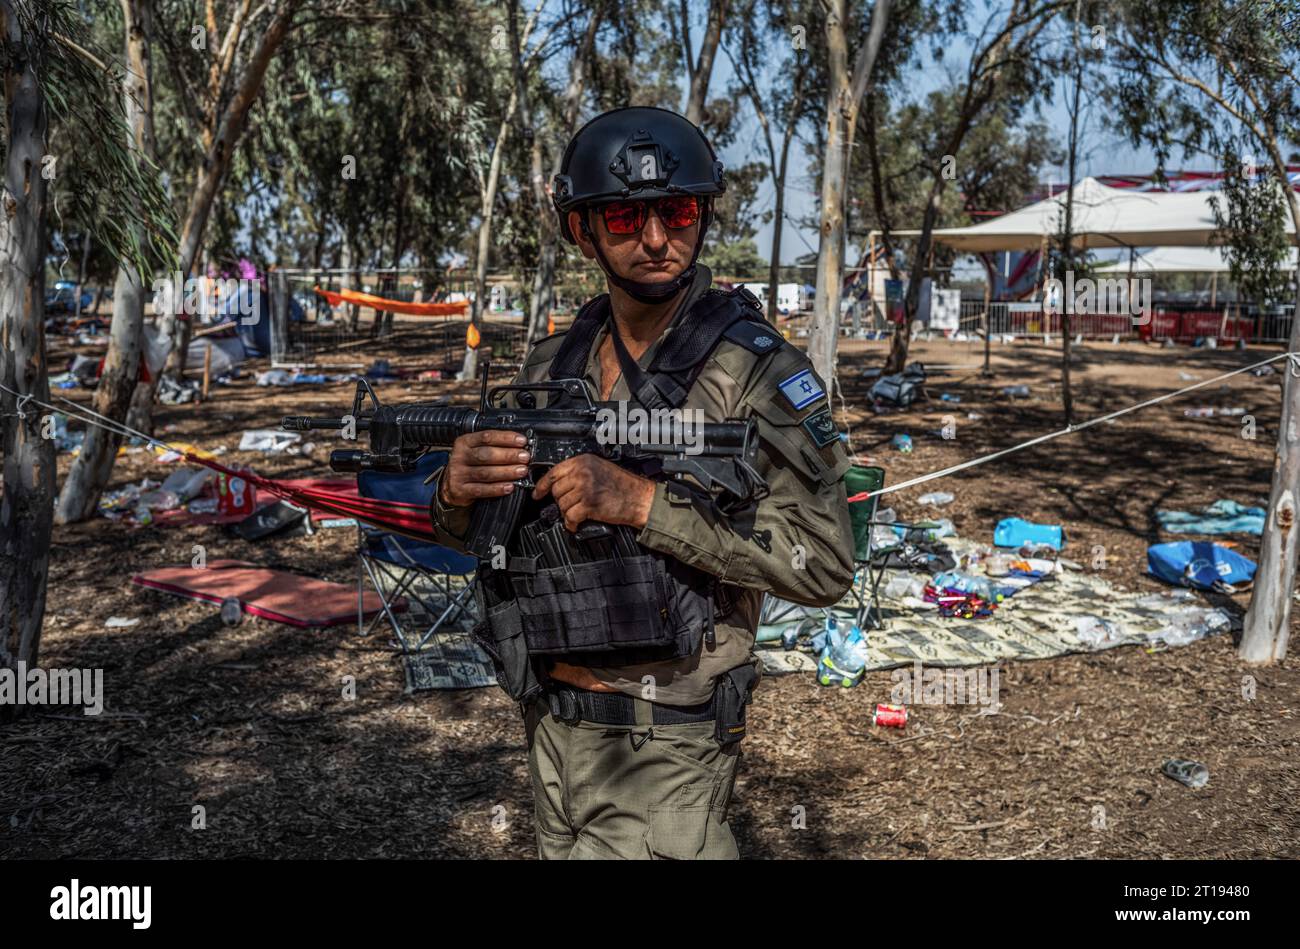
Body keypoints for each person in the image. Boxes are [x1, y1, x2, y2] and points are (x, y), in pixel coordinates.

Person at [429, 106, 854, 859]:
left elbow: (822, 561)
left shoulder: (754, 368)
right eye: (625, 216)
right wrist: (456, 494)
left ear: (703, 215)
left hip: (668, 752)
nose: (656, 238)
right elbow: (484, 538)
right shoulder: (553, 364)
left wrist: (645, 504)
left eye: (678, 211)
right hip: (549, 731)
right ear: (581, 231)